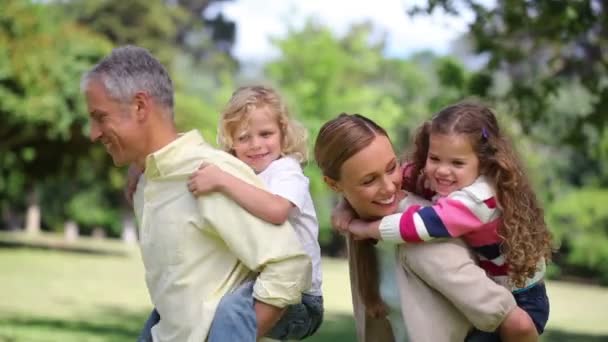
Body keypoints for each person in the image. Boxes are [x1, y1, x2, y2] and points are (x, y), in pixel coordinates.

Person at [81, 45, 311, 342]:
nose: (93, 133)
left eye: (101, 117)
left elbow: (287, 265)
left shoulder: (212, 175)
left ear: (139, 107)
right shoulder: (145, 184)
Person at [314, 113, 538, 342]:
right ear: (334, 185)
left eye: (392, 168)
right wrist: (345, 210)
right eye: (369, 180)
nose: (389, 187)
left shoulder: (424, 237)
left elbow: (518, 325)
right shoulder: (359, 223)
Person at [186, 85, 324, 341]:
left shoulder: (286, 170)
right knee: (184, 304)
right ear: (231, 143)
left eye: (265, 134)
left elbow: (277, 210)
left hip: (299, 300)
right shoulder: (241, 174)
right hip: (257, 287)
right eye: (243, 137)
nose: (256, 145)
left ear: (283, 133)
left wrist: (222, 180)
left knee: (228, 313)